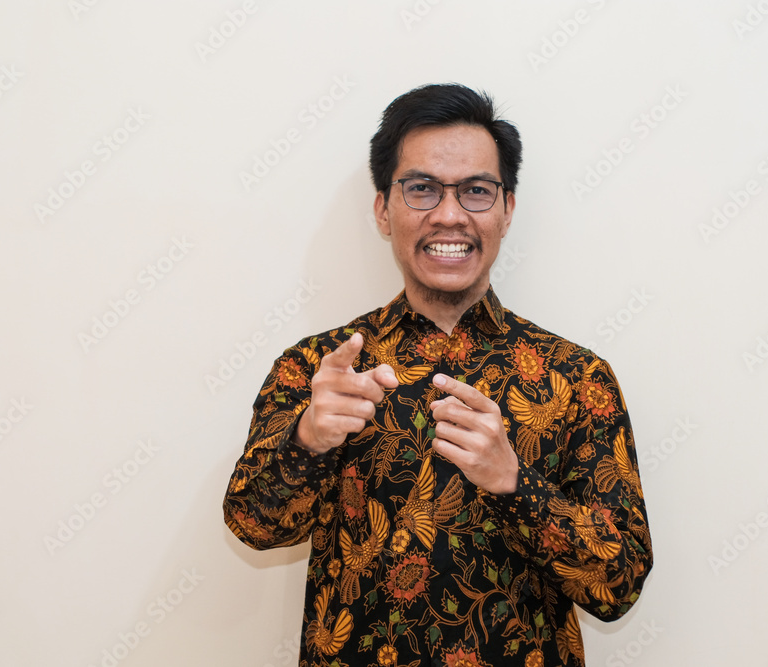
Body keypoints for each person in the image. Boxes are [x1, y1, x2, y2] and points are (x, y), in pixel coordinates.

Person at [223, 83, 652, 667]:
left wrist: (514, 483)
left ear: (507, 209)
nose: (449, 216)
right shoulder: (318, 369)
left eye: (476, 191)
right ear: (383, 208)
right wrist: (308, 439)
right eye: (422, 189)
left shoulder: (577, 378)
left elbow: (619, 585)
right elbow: (252, 527)